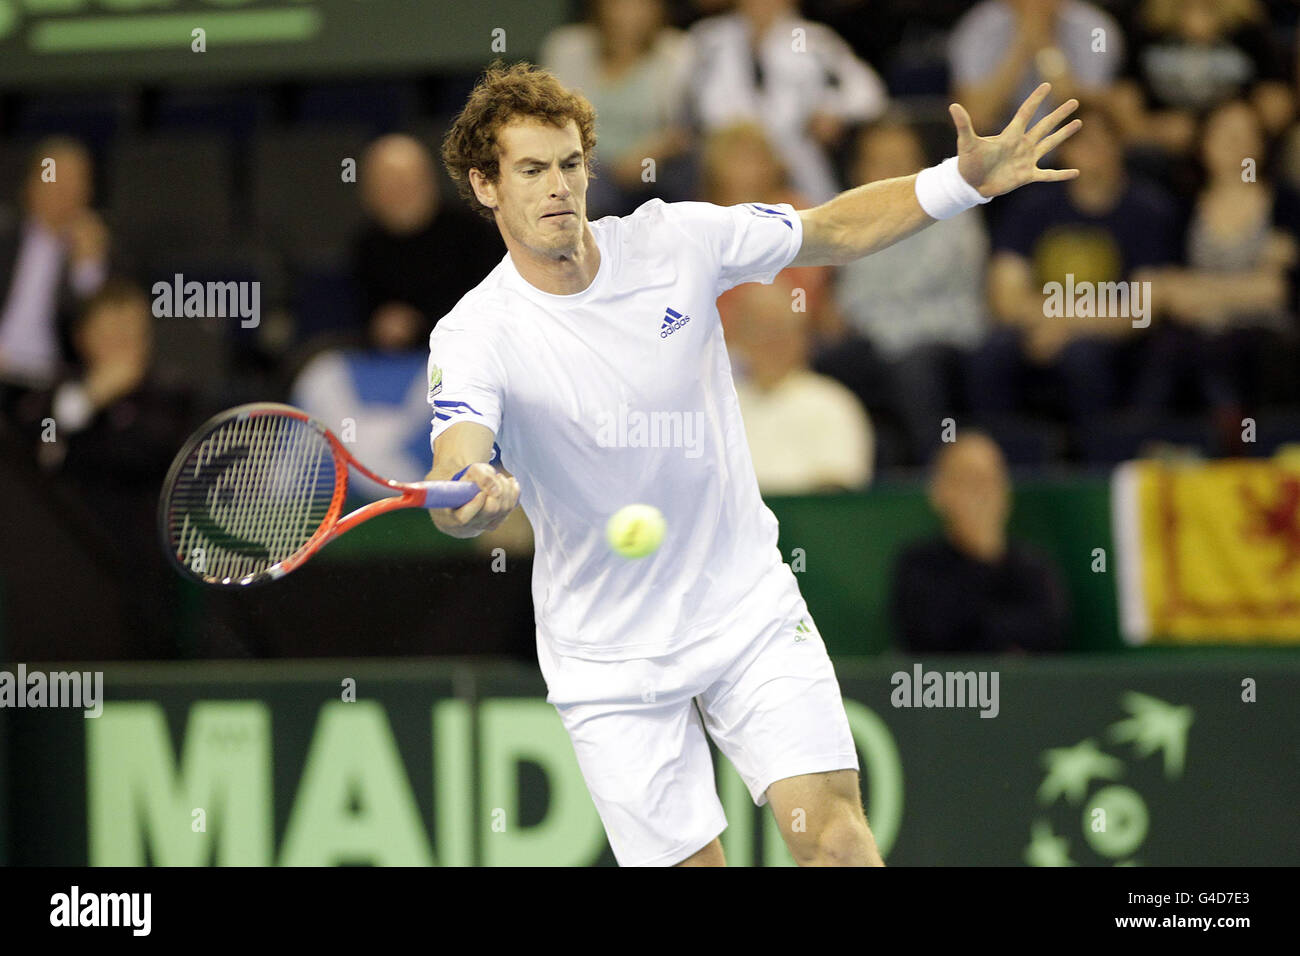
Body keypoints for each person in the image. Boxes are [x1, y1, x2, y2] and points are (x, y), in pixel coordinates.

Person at [426, 59, 1080, 867]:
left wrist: (960, 182)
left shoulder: (675, 240)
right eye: (531, 171)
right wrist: (472, 498)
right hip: (605, 653)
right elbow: (458, 465)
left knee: (837, 841)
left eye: (569, 164)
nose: (558, 186)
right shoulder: (474, 334)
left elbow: (832, 229)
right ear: (486, 185)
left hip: (742, 606)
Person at [820, 119, 992, 465]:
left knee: (913, 369)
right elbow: (850, 297)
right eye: (878, 161)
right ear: (858, 170)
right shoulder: (847, 216)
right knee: (825, 365)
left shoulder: (954, 210)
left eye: (900, 161)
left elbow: (921, 286)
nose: (889, 172)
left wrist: (866, 315)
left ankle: (933, 470)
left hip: (942, 335)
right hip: (876, 338)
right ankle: (852, 471)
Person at [685, 0, 889, 205]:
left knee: (815, 215)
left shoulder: (809, 38)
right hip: (727, 157)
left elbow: (869, 93)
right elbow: (682, 102)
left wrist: (833, 110)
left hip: (796, 156)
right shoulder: (708, 39)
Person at [891, 431, 1069, 653]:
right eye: (969, 481)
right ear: (939, 492)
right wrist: (980, 555)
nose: (982, 494)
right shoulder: (918, 566)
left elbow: (1048, 634)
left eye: (990, 480)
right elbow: (933, 634)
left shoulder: (1033, 567)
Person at [540, 0, 693, 218]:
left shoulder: (679, 51)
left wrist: (646, 155)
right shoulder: (567, 47)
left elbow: (684, 127)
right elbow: (553, 117)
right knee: (576, 177)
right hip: (586, 162)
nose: (629, 12)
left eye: (641, 4)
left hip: (654, 165)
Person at [352, 134, 500, 350]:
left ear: (427, 181)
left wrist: (420, 324)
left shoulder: (472, 232)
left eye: (405, 182)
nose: (397, 192)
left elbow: (491, 305)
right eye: (386, 183)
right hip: (390, 362)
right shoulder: (365, 246)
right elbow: (359, 315)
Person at [0, 137, 109, 423]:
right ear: (30, 187)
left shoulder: (104, 254)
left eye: (76, 181)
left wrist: (88, 268)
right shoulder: (5, 238)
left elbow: (99, 332)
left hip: (51, 386)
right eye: (54, 179)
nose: (65, 191)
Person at [728, 281, 873, 494]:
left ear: (802, 338)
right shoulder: (715, 407)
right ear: (736, 339)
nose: (768, 343)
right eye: (756, 330)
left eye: (778, 330)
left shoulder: (833, 404)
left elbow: (839, 490)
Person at [949, 0, 1124, 132]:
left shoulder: (1096, 30)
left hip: (1072, 153)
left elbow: (1084, 114)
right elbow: (977, 116)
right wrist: (1022, 43)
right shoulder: (977, 29)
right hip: (1000, 156)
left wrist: (1045, 43)